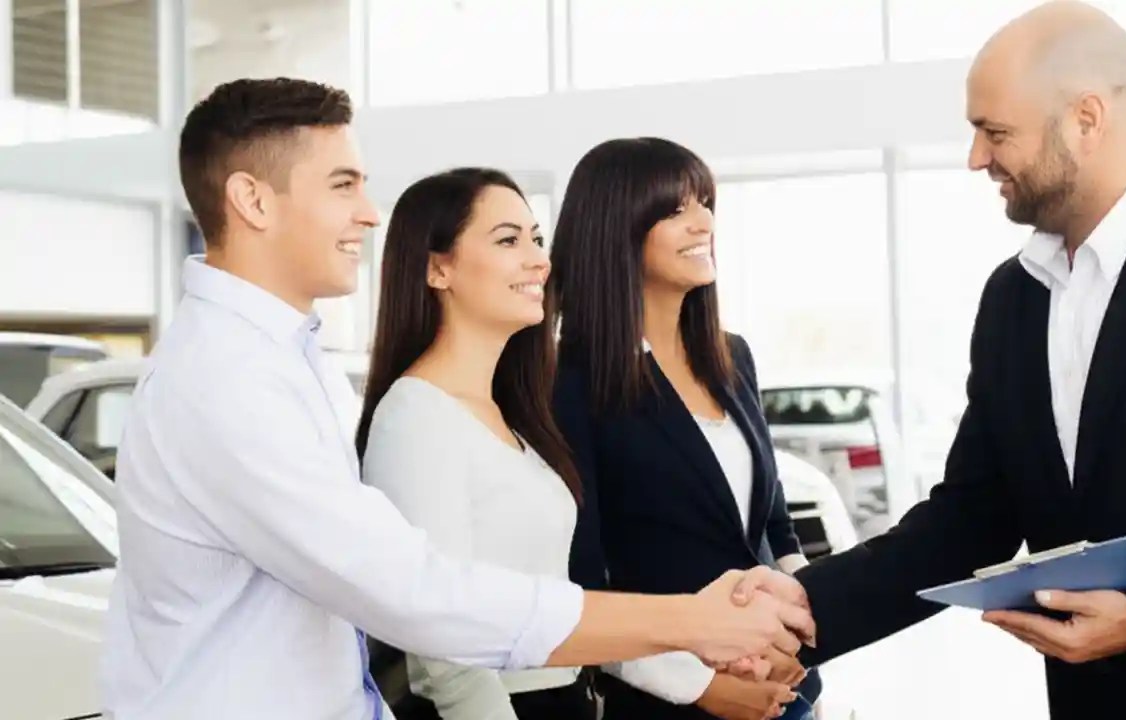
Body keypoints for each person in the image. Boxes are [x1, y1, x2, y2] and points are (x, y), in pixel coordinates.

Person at [98, 78, 815, 720]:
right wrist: (691, 626)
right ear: (252, 200)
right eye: (343, 185)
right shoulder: (226, 381)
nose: (370, 215)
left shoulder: (288, 358)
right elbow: (416, 594)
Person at [727, 2, 1126, 718]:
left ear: (1086, 120)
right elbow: (973, 517)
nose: (976, 158)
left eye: (995, 132)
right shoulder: (1013, 298)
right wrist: (805, 605)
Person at [549, 137, 821, 720]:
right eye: (676, 209)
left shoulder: (732, 356)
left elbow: (774, 527)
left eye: (706, 204)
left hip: (785, 682)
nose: (704, 223)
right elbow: (581, 576)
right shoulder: (569, 380)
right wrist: (700, 687)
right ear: (616, 229)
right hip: (670, 697)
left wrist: (811, 627)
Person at [358, 167, 594, 719]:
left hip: (561, 697)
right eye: (508, 241)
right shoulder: (414, 416)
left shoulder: (512, 414)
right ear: (438, 269)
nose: (539, 260)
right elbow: (445, 655)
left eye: (536, 239)